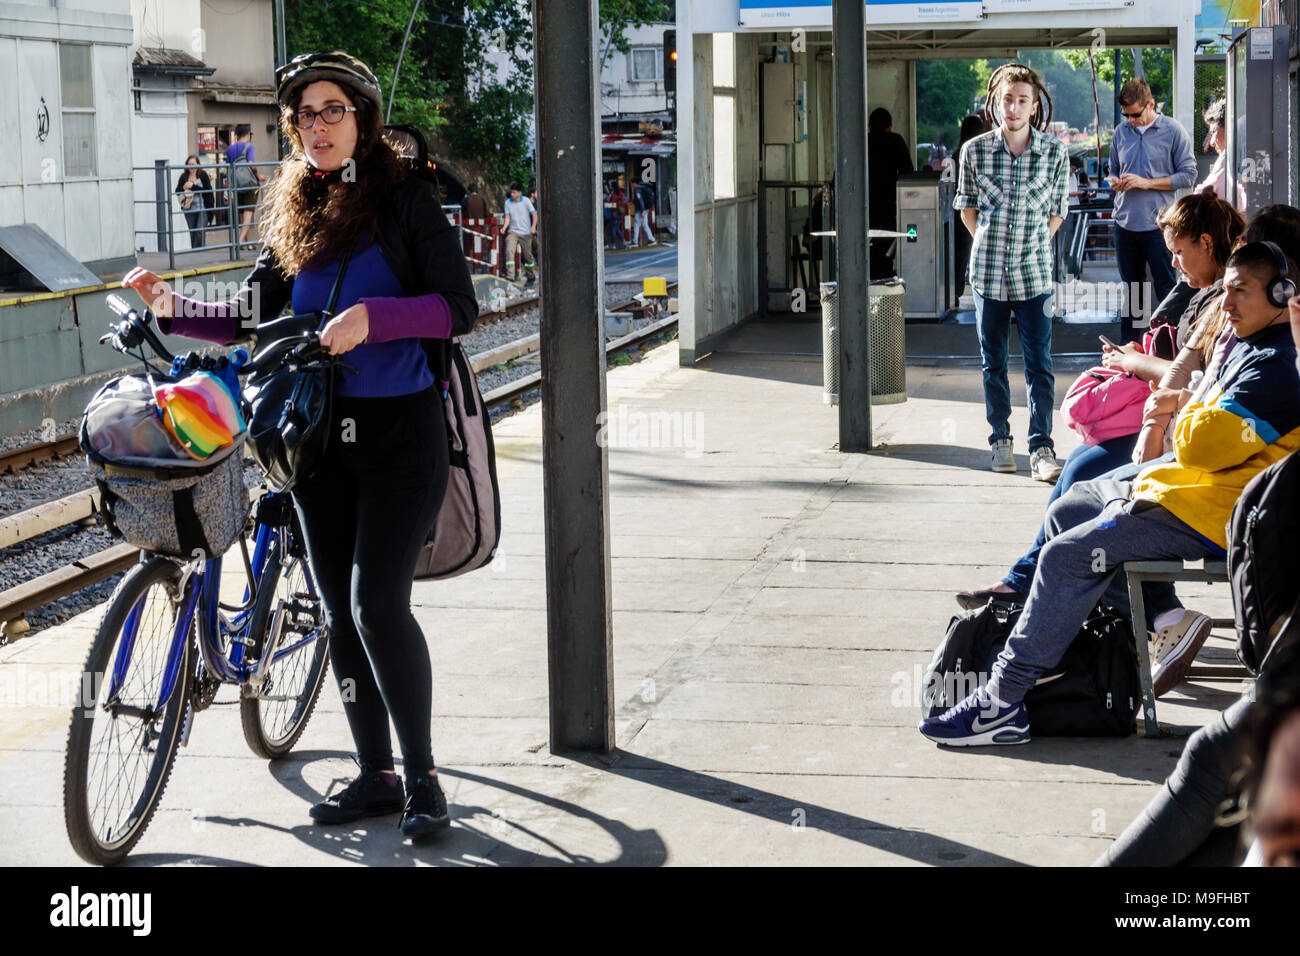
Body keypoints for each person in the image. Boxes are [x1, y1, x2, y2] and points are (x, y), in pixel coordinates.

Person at [120, 51, 478, 839]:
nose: (317, 127)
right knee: (340, 617)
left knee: (376, 604)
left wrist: (373, 321)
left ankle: (424, 780)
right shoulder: (297, 209)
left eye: (332, 111)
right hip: (315, 442)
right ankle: (376, 775)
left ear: (363, 118)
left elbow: (459, 307)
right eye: (304, 115)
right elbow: (251, 312)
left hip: (399, 434)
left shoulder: (408, 202)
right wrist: (175, 306)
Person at [920, 241, 1300, 748]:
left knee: (1065, 557)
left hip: (1218, 511)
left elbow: (1204, 446)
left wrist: (1178, 408)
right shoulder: (1249, 340)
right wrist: (1185, 407)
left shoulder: (1279, 365)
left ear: (1281, 294)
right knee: (1069, 506)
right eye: (1225, 291)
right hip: (1186, 487)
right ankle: (1068, 655)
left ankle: (1002, 701)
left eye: (1240, 292)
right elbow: (1197, 420)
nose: (1225, 304)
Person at [955, 190, 1246, 694]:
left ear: (1207, 242)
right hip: (1181, 446)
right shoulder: (1207, 298)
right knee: (1077, 485)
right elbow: (1191, 375)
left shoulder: (1230, 311)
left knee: (1087, 498)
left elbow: (1200, 387)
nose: (1172, 262)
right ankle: (1120, 613)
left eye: (1179, 251)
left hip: (1197, 472)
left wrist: (1141, 374)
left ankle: (1103, 621)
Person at [953, 63, 1070, 481]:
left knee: (1040, 363)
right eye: (1007, 99)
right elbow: (967, 210)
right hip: (987, 275)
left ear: (1035, 106)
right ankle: (1000, 440)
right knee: (993, 362)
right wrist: (991, 243)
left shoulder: (1055, 153)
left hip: (1034, 276)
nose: (1014, 107)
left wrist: (1033, 244)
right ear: (994, 103)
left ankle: (1041, 448)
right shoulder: (975, 151)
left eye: (1023, 100)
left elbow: (1057, 212)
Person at [1109, 78, 1198, 342]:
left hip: (1161, 227)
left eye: (1135, 114)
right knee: (1133, 292)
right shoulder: (1121, 132)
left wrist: (1147, 183)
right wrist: (1115, 182)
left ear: (1151, 105)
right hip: (1125, 224)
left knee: (1167, 289)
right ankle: (1130, 349)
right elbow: (1112, 171)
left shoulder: (1172, 130)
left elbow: (1189, 175)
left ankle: (1171, 344)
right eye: (1126, 115)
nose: (1131, 120)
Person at [867, 107, 914, 280]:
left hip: (862, 207)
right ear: (890, 126)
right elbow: (908, 172)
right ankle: (883, 285)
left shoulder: (861, 142)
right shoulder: (895, 141)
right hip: (889, 206)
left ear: (868, 125)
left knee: (867, 251)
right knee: (885, 251)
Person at [953, 113, 991, 300]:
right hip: (983, 211)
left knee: (960, 253)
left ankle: (957, 289)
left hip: (959, 211)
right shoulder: (984, 152)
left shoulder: (957, 152)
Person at [227, 123, 267, 252]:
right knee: (248, 214)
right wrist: (258, 175)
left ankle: (248, 243)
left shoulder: (230, 149)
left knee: (242, 214)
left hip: (238, 184)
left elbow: (228, 167)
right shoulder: (249, 147)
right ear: (248, 134)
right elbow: (251, 164)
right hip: (250, 184)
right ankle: (239, 242)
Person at [501, 181, 537, 286]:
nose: (512, 194)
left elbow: (534, 215)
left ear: (520, 193)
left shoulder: (526, 201)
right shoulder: (507, 203)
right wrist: (504, 227)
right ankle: (510, 276)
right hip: (513, 231)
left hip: (526, 232)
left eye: (514, 192)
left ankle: (531, 276)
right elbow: (507, 217)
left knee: (527, 257)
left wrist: (533, 227)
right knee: (509, 250)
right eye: (511, 192)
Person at [175, 155, 213, 250]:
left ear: (198, 165)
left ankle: (200, 252)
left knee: (200, 231)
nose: (191, 166)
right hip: (189, 209)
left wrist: (192, 186)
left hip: (203, 208)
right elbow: (177, 191)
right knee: (192, 232)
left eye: (193, 164)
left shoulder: (203, 175)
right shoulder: (184, 177)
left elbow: (207, 191)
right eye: (189, 164)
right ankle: (195, 253)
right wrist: (184, 187)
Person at [633, 178, 656, 246]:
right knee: (645, 224)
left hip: (640, 210)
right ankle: (652, 240)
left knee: (636, 224)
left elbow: (640, 200)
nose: (632, 185)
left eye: (632, 184)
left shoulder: (637, 189)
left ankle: (634, 241)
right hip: (646, 209)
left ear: (634, 183)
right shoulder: (643, 188)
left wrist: (642, 211)